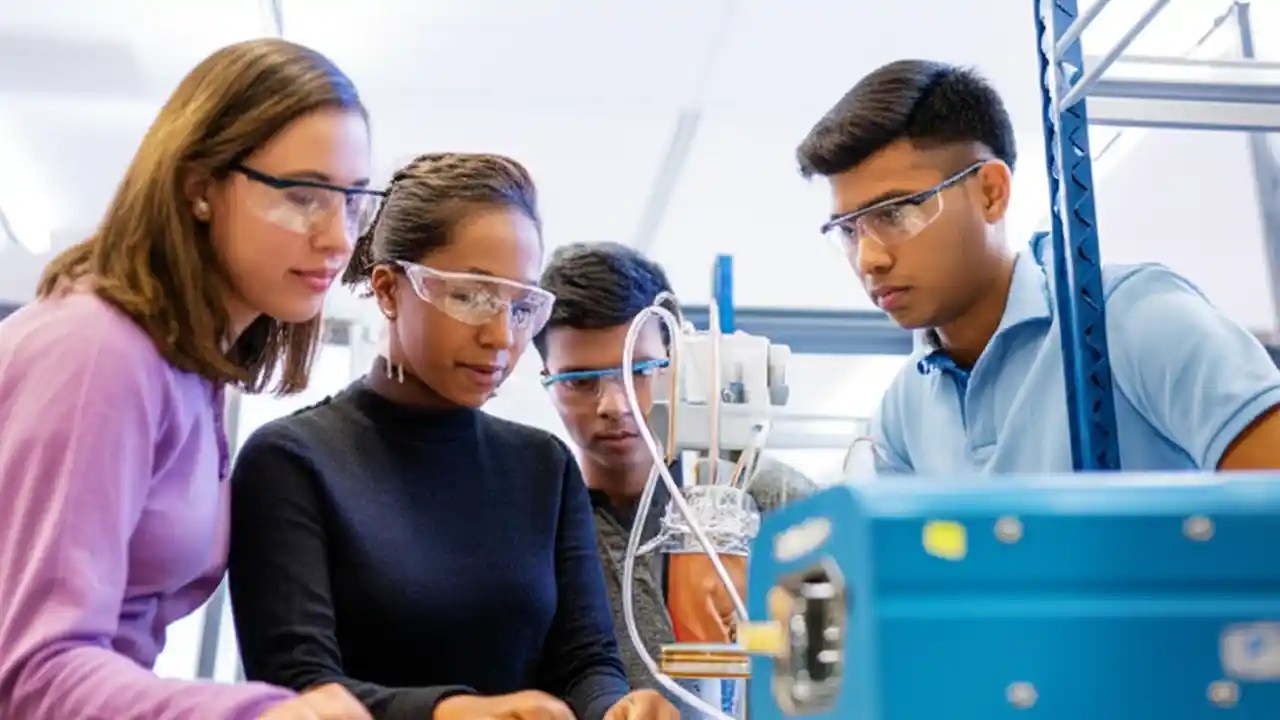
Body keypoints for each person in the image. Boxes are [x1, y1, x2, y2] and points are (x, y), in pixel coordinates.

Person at [0, 39, 380, 720]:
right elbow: (29, 673)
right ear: (200, 188)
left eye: (354, 201)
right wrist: (262, 714)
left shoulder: (190, 365)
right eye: (304, 196)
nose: (339, 238)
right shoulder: (98, 350)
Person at [226, 153, 678, 720]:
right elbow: (296, 686)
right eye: (471, 296)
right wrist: (451, 712)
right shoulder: (293, 462)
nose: (501, 336)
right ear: (388, 289)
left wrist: (617, 708)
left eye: (521, 306)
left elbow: (585, 663)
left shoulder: (544, 466)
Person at [795, 58, 1280, 474]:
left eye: (896, 214)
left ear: (990, 193)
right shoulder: (903, 414)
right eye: (848, 230)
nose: (869, 259)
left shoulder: (1134, 318)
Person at [533, 241, 817, 692]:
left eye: (640, 370)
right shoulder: (538, 523)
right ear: (547, 380)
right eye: (580, 381)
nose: (615, 404)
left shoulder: (772, 500)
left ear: (677, 363)